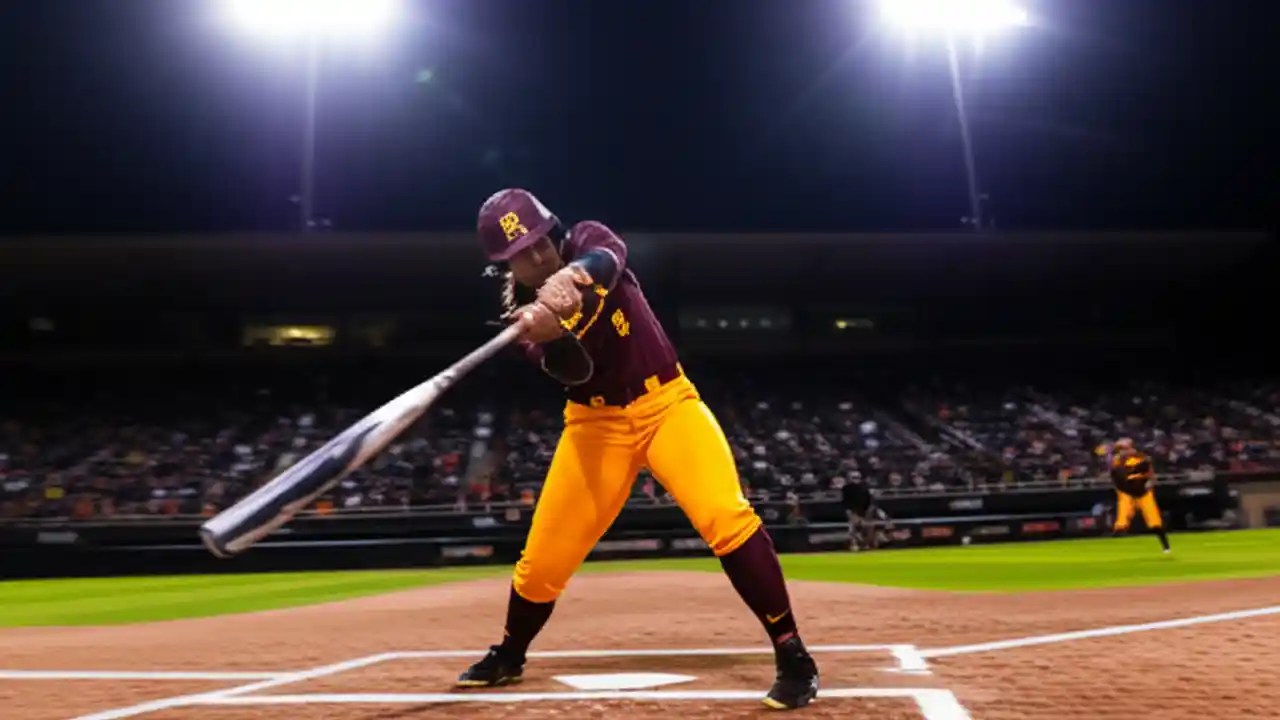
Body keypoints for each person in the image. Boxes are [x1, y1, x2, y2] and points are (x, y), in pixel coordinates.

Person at [454, 188, 820, 710]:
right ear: (504, 263)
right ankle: (510, 654)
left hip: (667, 402)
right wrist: (549, 332)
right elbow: (575, 370)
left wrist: (570, 280)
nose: (536, 256)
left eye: (539, 242)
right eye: (521, 253)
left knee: (725, 514)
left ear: (552, 229)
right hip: (594, 424)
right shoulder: (523, 321)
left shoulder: (586, 239)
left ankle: (793, 654)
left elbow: (606, 259)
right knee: (541, 563)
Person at [1106, 438, 1171, 553]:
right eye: (1120, 450)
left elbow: (1150, 475)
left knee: (1154, 521)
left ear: (1132, 448)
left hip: (1142, 492)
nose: (1123, 452)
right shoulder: (1116, 461)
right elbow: (1115, 476)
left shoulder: (1142, 459)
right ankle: (1116, 535)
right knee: (1122, 519)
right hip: (1126, 492)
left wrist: (1149, 482)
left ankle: (1165, 546)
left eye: (1125, 449)